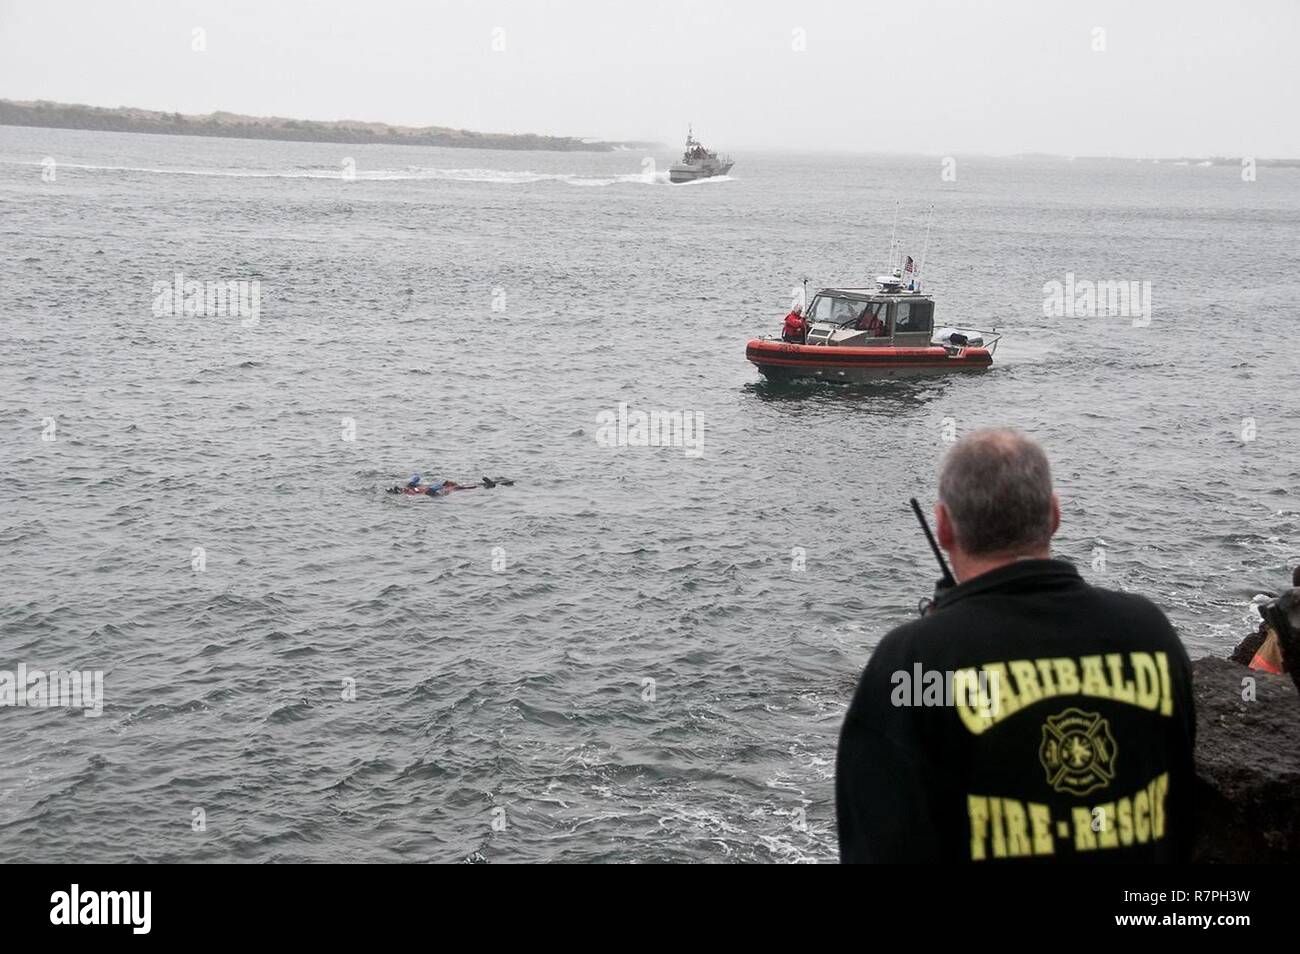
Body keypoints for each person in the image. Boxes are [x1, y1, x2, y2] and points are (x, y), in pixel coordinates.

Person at [836, 429, 1196, 863]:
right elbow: (1180, 801)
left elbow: (877, 842)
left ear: (944, 526)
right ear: (1054, 515)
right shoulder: (1150, 634)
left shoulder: (911, 663)